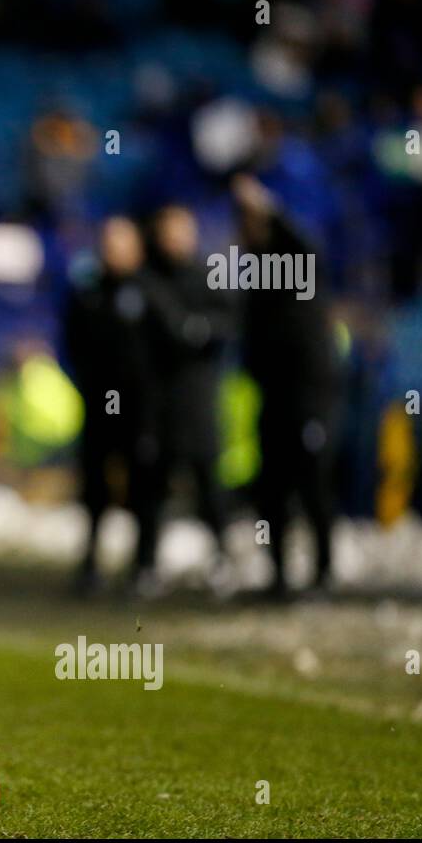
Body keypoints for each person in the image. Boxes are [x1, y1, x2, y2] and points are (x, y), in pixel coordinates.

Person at [234, 175, 342, 597]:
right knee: (273, 489)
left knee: (314, 484)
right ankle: (278, 574)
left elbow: (303, 245)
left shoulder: (301, 268)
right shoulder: (255, 278)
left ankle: (324, 574)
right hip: (273, 396)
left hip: (311, 396)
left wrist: (269, 207)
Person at [63, 216, 164, 596]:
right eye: (107, 241)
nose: (113, 249)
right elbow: (72, 342)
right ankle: (90, 563)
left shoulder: (150, 291)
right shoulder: (87, 291)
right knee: (95, 486)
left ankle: (145, 564)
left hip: (141, 409)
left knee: (143, 486)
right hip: (99, 405)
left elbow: (164, 349)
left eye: (121, 242)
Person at [144, 205, 236, 593]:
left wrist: (196, 329)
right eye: (169, 231)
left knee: (207, 480)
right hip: (159, 400)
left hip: (198, 397)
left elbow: (226, 324)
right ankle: (145, 563)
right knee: (153, 485)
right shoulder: (148, 279)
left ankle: (223, 558)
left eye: (182, 231)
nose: (175, 240)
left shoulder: (206, 277)